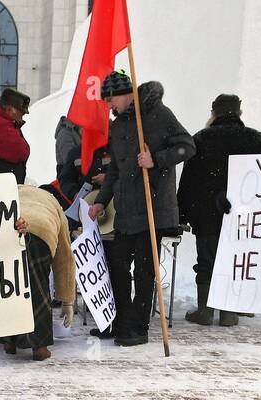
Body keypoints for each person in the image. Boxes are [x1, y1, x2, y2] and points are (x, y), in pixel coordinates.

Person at [88, 71, 195, 347]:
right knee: (119, 264)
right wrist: (102, 199)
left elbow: (187, 145)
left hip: (153, 208)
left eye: (111, 99)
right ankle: (121, 319)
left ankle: (139, 327)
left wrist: (156, 159)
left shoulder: (158, 113)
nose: (109, 106)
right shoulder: (119, 125)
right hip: (126, 207)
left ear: (125, 94)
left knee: (145, 270)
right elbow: (115, 168)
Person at [177, 94, 261, 327]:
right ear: (239, 113)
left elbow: (188, 182)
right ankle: (229, 313)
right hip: (243, 214)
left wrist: (182, 214)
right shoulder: (256, 139)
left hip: (206, 213)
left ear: (214, 113)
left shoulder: (200, 139)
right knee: (234, 261)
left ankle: (205, 312)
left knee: (206, 262)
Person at [3, 184, 75, 361]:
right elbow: (64, 258)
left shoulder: (14, 190)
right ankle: (39, 346)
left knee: (10, 286)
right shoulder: (54, 205)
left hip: (12, 229)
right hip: (41, 233)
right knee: (38, 289)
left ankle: (9, 341)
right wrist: (67, 301)